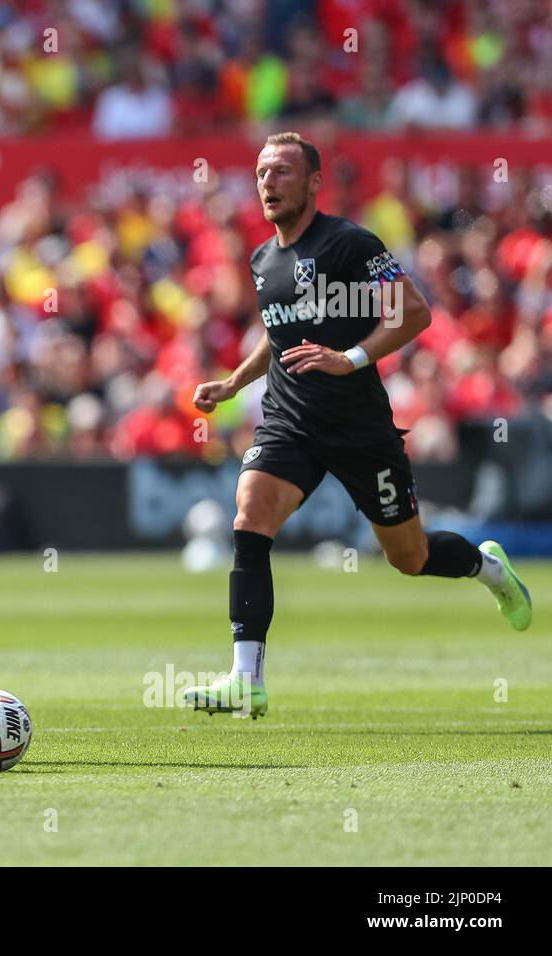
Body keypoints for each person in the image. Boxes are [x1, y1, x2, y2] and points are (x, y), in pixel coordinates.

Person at [186, 132, 531, 718]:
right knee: (251, 514)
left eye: (283, 172)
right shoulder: (262, 259)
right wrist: (233, 384)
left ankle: (488, 567)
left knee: (410, 557)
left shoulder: (348, 244)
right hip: (290, 421)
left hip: (358, 428)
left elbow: (413, 311)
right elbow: (279, 338)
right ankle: (246, 678)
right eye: (262, 171)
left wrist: (348, 360)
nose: (268, 182)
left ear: (314, 182)